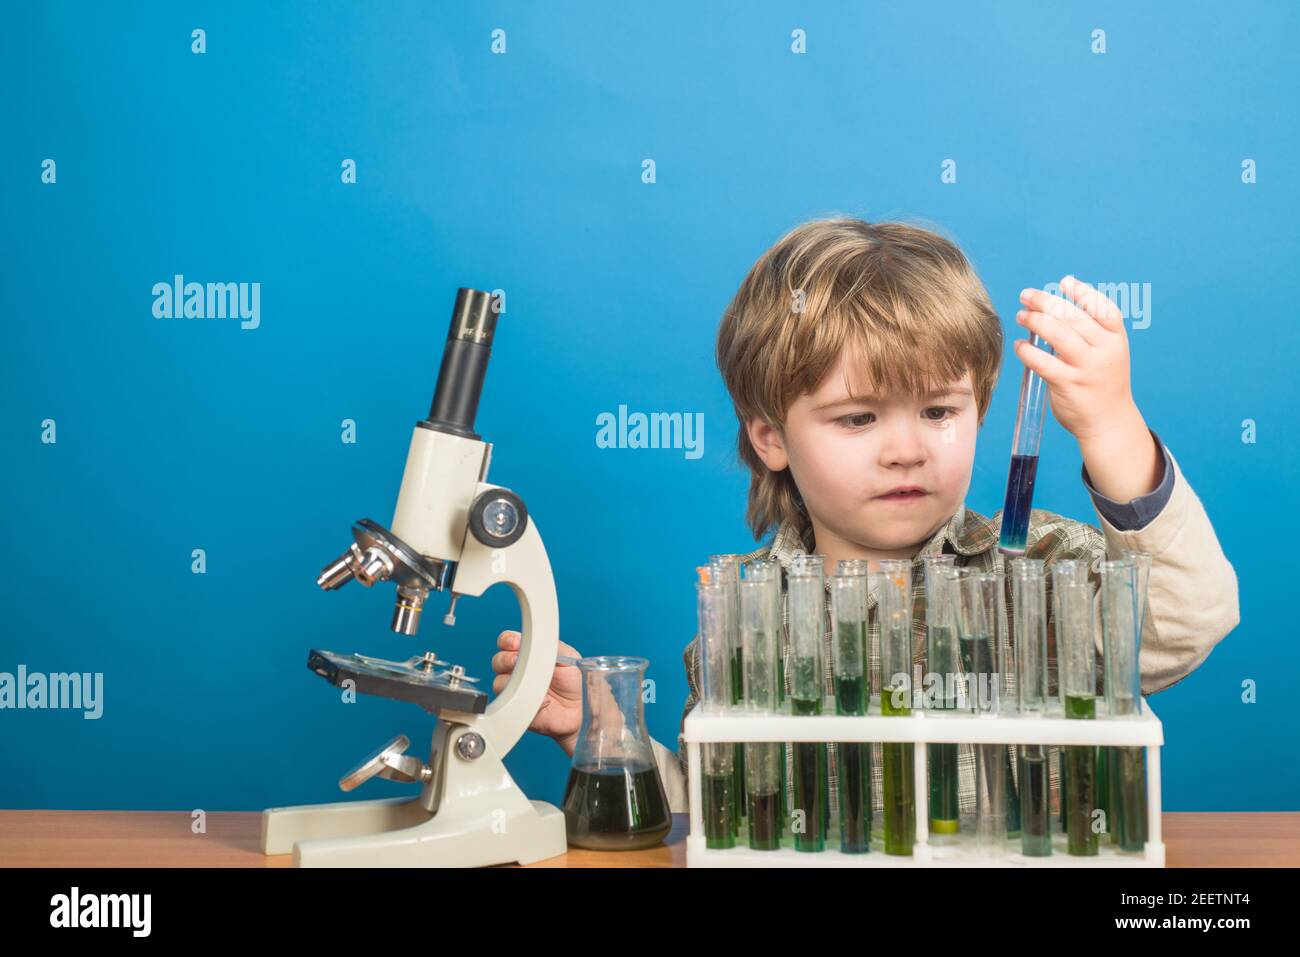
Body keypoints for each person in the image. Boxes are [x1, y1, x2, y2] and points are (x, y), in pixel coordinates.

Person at [492, 216, 1239, 819]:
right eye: (858, 419)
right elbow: (719, 811)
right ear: (771, 436)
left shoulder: (1042, 567)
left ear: (982, 408)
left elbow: (1186, 622)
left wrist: (1115, 431)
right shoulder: (744, 619)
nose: (907, 450)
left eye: (940, 410)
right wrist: (611, 736)